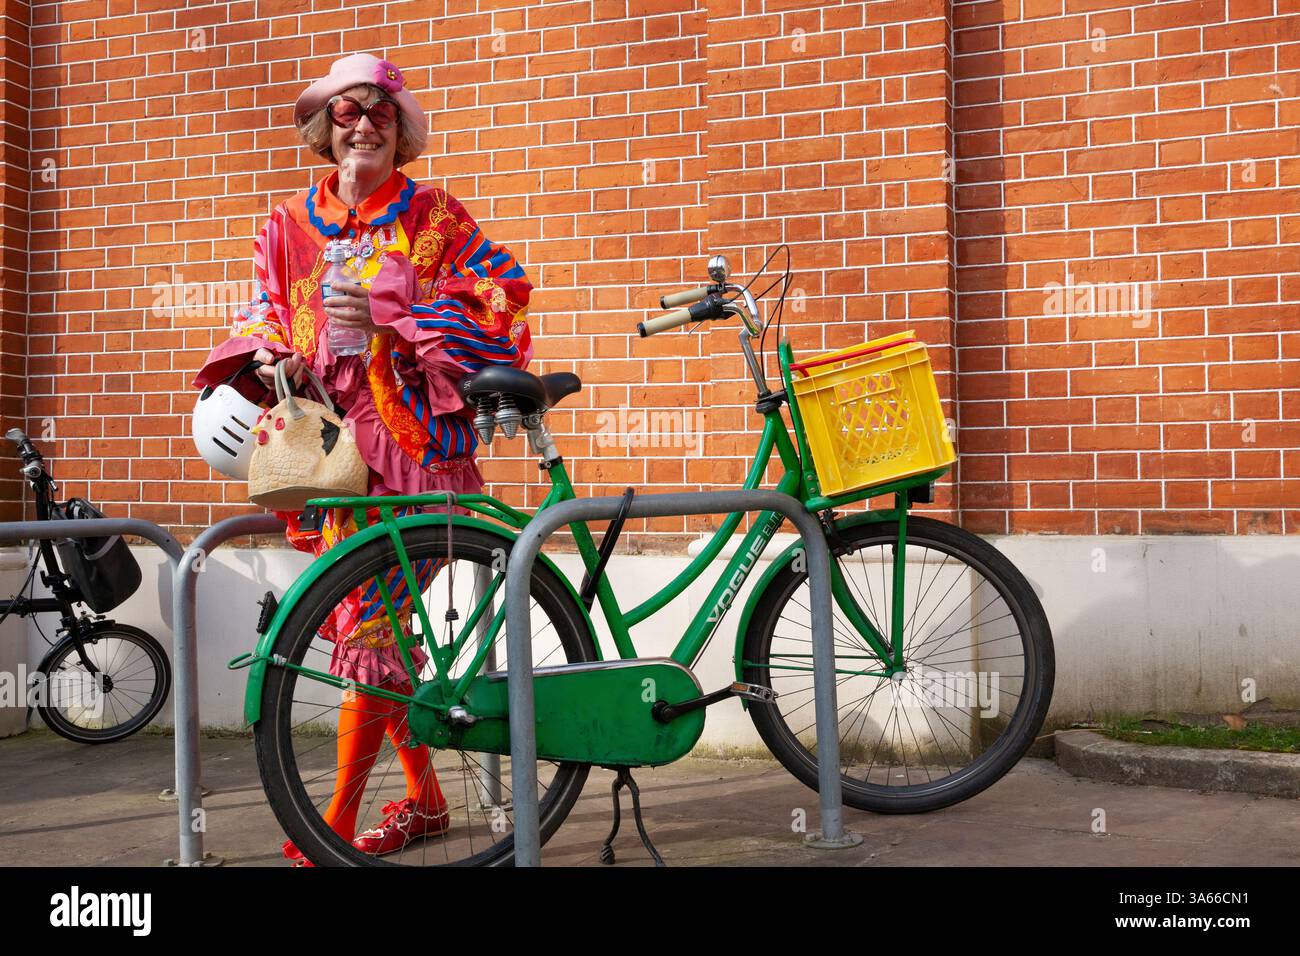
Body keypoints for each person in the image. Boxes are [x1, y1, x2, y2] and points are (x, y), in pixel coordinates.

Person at [191, 53, 533, 864]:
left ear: (401, 129)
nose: (363, 123)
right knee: (372, 633)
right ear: (323, 129)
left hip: (410, 448)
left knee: (371, 632)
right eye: (346, 111)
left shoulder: (435, 215)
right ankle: (424, 800)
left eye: (380, 110)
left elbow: (502, 302)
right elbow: (264, 308)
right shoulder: (286, 223)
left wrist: (400, 307)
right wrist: (275, 354)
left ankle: (329, 835)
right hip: (326, 455)